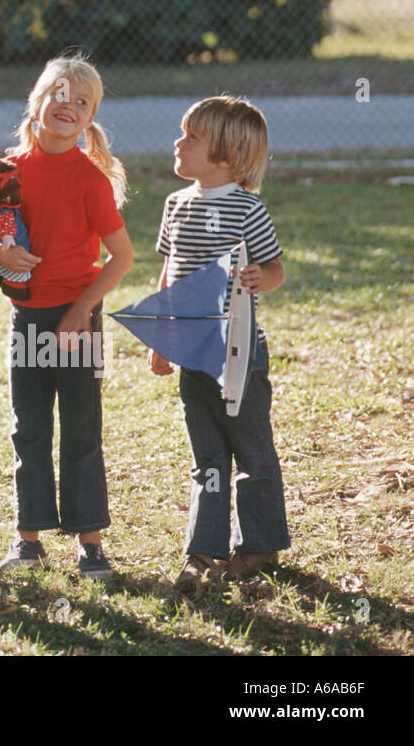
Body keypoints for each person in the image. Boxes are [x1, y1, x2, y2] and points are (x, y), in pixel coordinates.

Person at [0, 53, 133, 579]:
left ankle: (91, 545)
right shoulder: (4, 172)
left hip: (77, 321)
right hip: (28, 320)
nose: (70, 106)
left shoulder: (90, 179)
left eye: (82, 102)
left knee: (82, 427)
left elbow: (121, 257)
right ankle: (28, 541)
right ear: (37, 102)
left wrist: (82, 310)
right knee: (29, 428)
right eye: (60, 96)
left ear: (89, 119)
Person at [149, 96, 290, 591]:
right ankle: (204, 549)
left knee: (251, 447)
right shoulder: (175, 205)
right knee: (206, 453)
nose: (178, 143)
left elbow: (276, 270)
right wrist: (162, 335)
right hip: (194, 351)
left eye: (191, 137)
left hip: (238, 353)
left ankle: (259, 546)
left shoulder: (248, 209)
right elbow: (169, 272)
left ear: (226, 158)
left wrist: (259, 277)